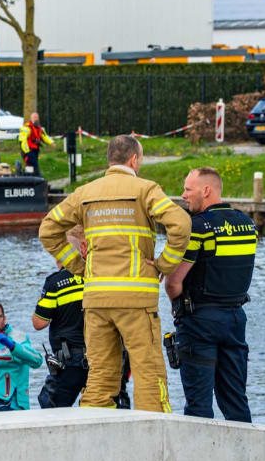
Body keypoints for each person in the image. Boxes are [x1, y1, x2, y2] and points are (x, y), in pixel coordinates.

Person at [38, 134, 191, 413]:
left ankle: (96, 434)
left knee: (99, 375)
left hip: (96, 299)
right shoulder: (145, 190)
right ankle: (152, 437)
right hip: (136, 299)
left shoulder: (85, 193)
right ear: (134, 159)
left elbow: (48, 230)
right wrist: (164, 264)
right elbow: (181, 224)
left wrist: (78, 267)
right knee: (148, 371)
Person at [165, 167, 257, 422]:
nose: (183, 195)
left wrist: (176, 304)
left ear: (206, 191)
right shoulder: (248, 224)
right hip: (236, 319)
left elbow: (174, 282)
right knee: (236, 400)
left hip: (200, 322)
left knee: (199, 406)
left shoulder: (198, 227)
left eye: (187, 189)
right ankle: (242, 458)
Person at [32, 227, 130, 409]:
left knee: (53, 408)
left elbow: (39, 323)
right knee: (111, 404)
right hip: (105, 356)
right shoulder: (102, 277)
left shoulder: (55, 283)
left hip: (70, 360)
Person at [19, 111, 56, 178]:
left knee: (30, 167)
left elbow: (45, 137)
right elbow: (23, 141)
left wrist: (52, 142)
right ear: (31, 118)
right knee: (34, 166)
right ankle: (38, 178)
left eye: (37, 117)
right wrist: (27, 152)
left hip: (35, 151)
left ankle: (29, 179)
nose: (36, 119)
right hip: (28, 151)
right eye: (34, 117)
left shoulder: (40, 128)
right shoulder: (26, 128)